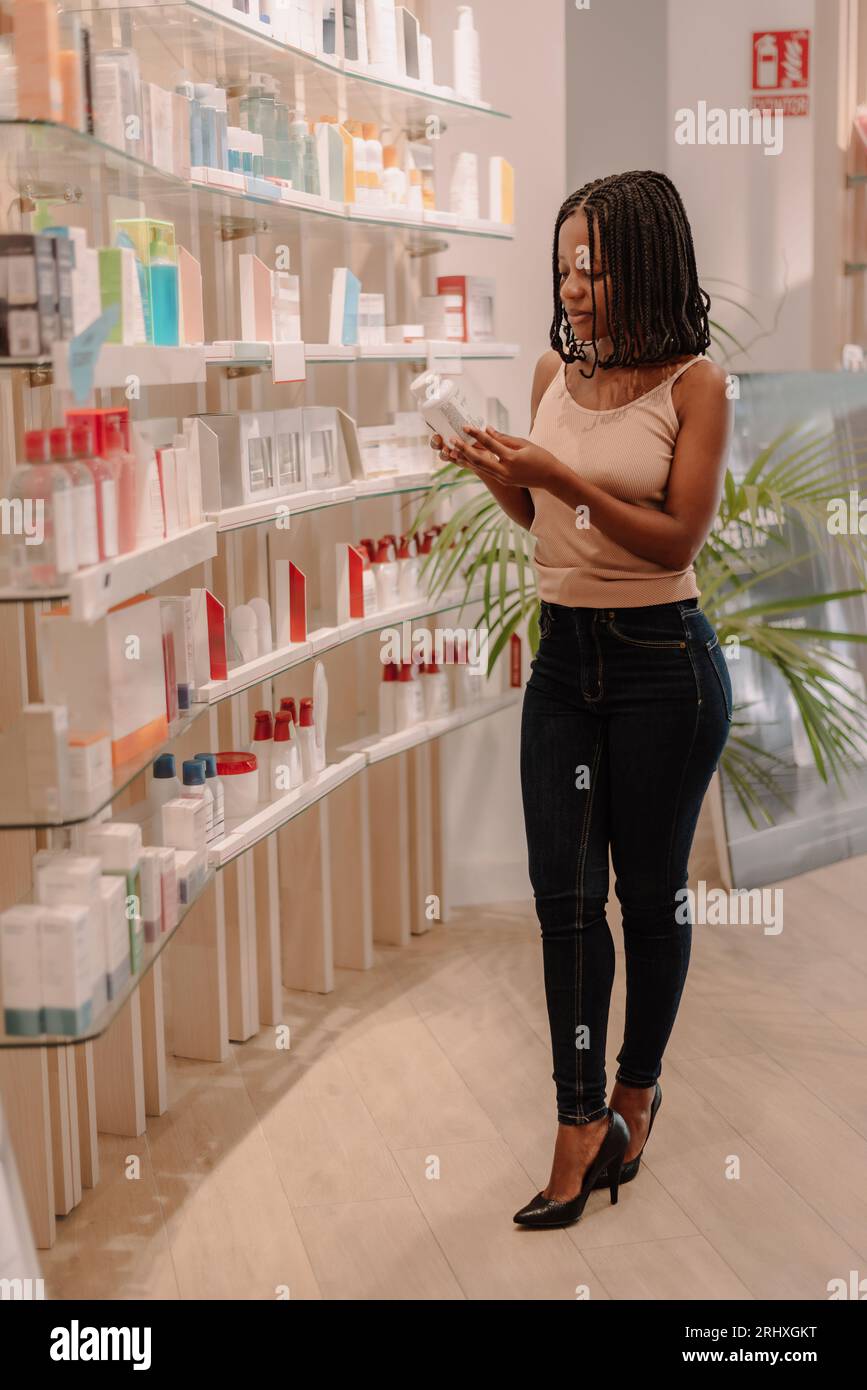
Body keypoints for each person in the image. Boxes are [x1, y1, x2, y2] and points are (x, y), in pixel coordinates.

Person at [430, 170, 734, 1229]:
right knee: (564, 900)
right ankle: (575, 1124)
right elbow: (543, 521)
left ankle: (634, 1097)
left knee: (648, 897)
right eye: (565, 265)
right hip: (565, 659)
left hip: (664, 665)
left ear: (645, 265)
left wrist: (561, 478)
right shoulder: (552, 368)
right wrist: (491, 468)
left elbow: (674, 536)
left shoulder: (697, 385)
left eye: (595, 266)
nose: (577, 284)